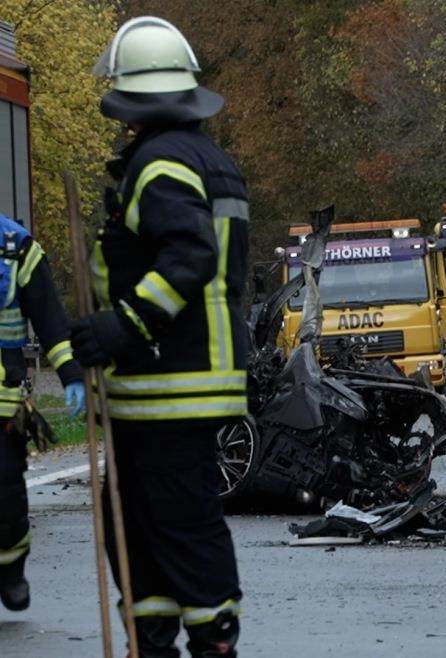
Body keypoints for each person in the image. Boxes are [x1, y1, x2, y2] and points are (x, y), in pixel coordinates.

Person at [70, 16, 248, 657]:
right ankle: (164, 640)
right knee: (151, 534)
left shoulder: (160, 164)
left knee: (174, 531)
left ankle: (200, 644)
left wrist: (122, 325)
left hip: (165, 385)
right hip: (184, 384)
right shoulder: (207, 159)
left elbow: (189, 257)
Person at [0, 212, 85, 612]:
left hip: (3, 401)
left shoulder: (16, 247)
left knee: (7, 498)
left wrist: (70, 374)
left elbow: (49, 319)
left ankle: (11, 568)